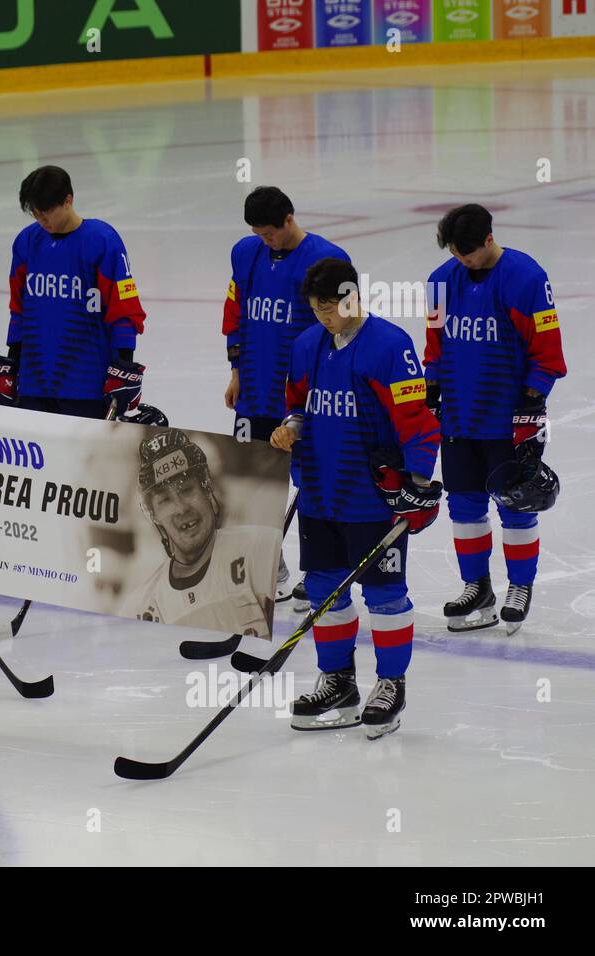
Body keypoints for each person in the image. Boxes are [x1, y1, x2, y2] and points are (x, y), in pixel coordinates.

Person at [271, 258, 442, 740]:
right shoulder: (306, 346)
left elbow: (419, 423)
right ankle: (338, 681)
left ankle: (390, 683)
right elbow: (298, 407)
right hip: (321, 491)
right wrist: (289, 428)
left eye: (330, 307)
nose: (323, 317)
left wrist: (418, 484)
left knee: (385, 594)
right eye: (316, 308)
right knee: (325, 589)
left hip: (372, 497)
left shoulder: (391, 347)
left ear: (352, 297)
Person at [425, 204, 566, 634]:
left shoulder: (526, 278)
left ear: (489, 239)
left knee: (517, 506)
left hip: (508, 419)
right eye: (455, 253)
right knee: (464, 506)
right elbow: (434, 345)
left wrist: (533, 401)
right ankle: (477, 585)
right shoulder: (439, 282)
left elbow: (547, 349)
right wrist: (430, 392)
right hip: (459, 419)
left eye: (468, 254)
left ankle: (519, 586)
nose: (461, 262)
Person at [223, 186, 350, 610]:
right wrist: (236, 371)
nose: (265, 241)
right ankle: (269, 570)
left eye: (270, 234)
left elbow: (343, 331)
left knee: (308, 485)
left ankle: (316, 572)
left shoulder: (328, 260)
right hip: (255, 390)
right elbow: (235, 313)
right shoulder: (245, 254)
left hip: (300, 397)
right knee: (248, 481)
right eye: (258, 234)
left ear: (289, 219)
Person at [0, 165, 147, 420]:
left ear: (68, 201)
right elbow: (19, 309)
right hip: (35, 381)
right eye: (35, 213)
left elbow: (124, 310)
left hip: (86, 385)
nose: (41, 220)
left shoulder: (102, 241)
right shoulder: (26, 242)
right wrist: (13, 361)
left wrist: (124, 366)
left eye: (46, 212)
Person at [127, 429, 278, 638]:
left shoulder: (263, 550)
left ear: (208, 488)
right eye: (165, 500)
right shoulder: (143, 605)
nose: (181, 508)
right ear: (154, 515)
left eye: (187, 489)